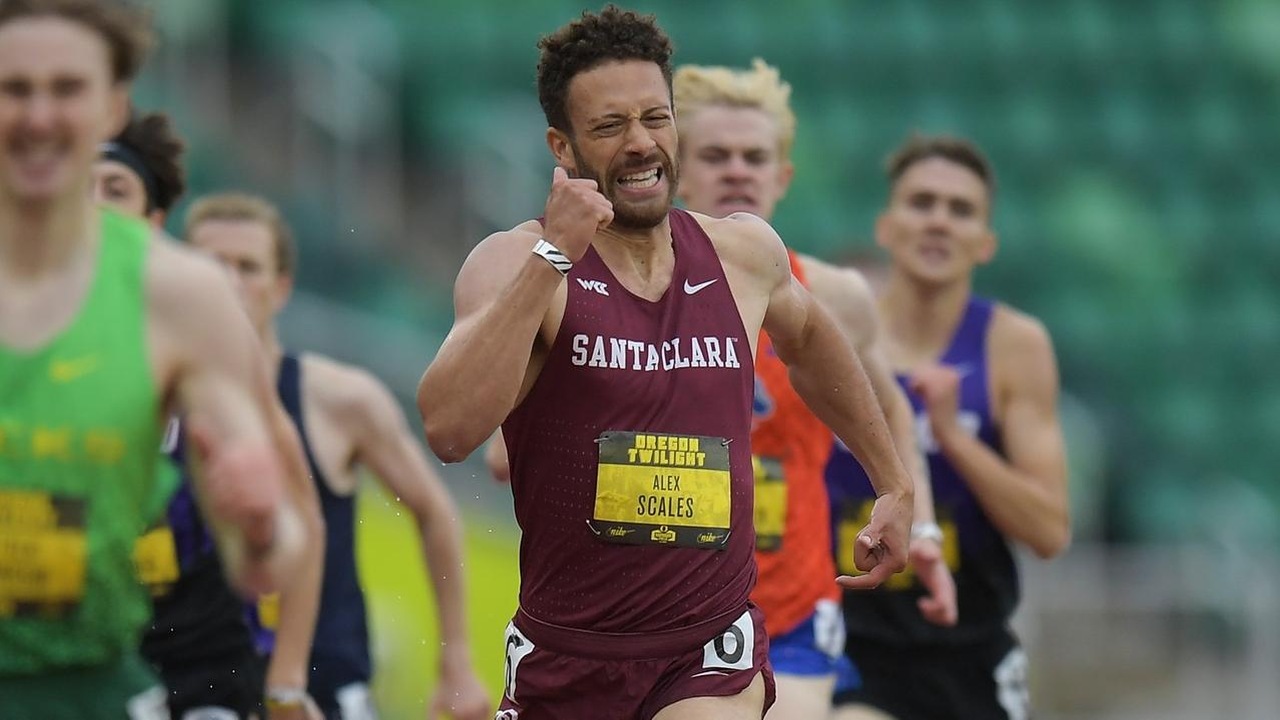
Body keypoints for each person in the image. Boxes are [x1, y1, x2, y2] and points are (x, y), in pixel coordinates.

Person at [417, 7, 915, 720]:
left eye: (656, 117)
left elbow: (812, 343)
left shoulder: (744, 255)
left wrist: (891, 481)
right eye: (609, 126)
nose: (641, 144)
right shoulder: (514, 261)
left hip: (707, 652)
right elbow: (448, 428)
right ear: (563, 147)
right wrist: (552, 257)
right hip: (568, 658)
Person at [0, 2, 310, 718]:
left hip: (86, 690)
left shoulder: (180, 295)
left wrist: (259, 523)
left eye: (67, 90)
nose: (39, 117)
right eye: (16, 89)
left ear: (111, 107)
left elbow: (275, 555)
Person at [671, 59, 957, 720]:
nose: (737, 170)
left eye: (754, 156)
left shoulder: (834, 296)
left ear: (783, 176)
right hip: (660, 606)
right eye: (715, 155)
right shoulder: (629, 294)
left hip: (791, 609)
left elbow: (887, 402)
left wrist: (923, 530)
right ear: (678, 170)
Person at [184, 192, 493, 720]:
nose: (230, 283)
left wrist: (456, 661)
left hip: (324, 689)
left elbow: (435, 512)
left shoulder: (339, 401)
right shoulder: (157, 397)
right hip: (189, 683)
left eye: (248, 267)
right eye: (213, 266)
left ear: (281, 289)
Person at [825, 134, 1070, 720]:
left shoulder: (1013, 346)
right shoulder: (832, 336)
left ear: (985, 243)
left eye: (960, 210)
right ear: (886, 227)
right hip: (848, 642)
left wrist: (954, 438)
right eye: (921, 202)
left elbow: (1049, 531)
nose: (938, 221)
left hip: (970, 644)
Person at [93, 113, 328, 720]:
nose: (92, 206)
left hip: (204, 673)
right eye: (80, 187)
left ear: (154, 222)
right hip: (75, 655)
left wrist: (287, 681)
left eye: (114, 190)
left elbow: (300, 521)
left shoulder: (204, 336)